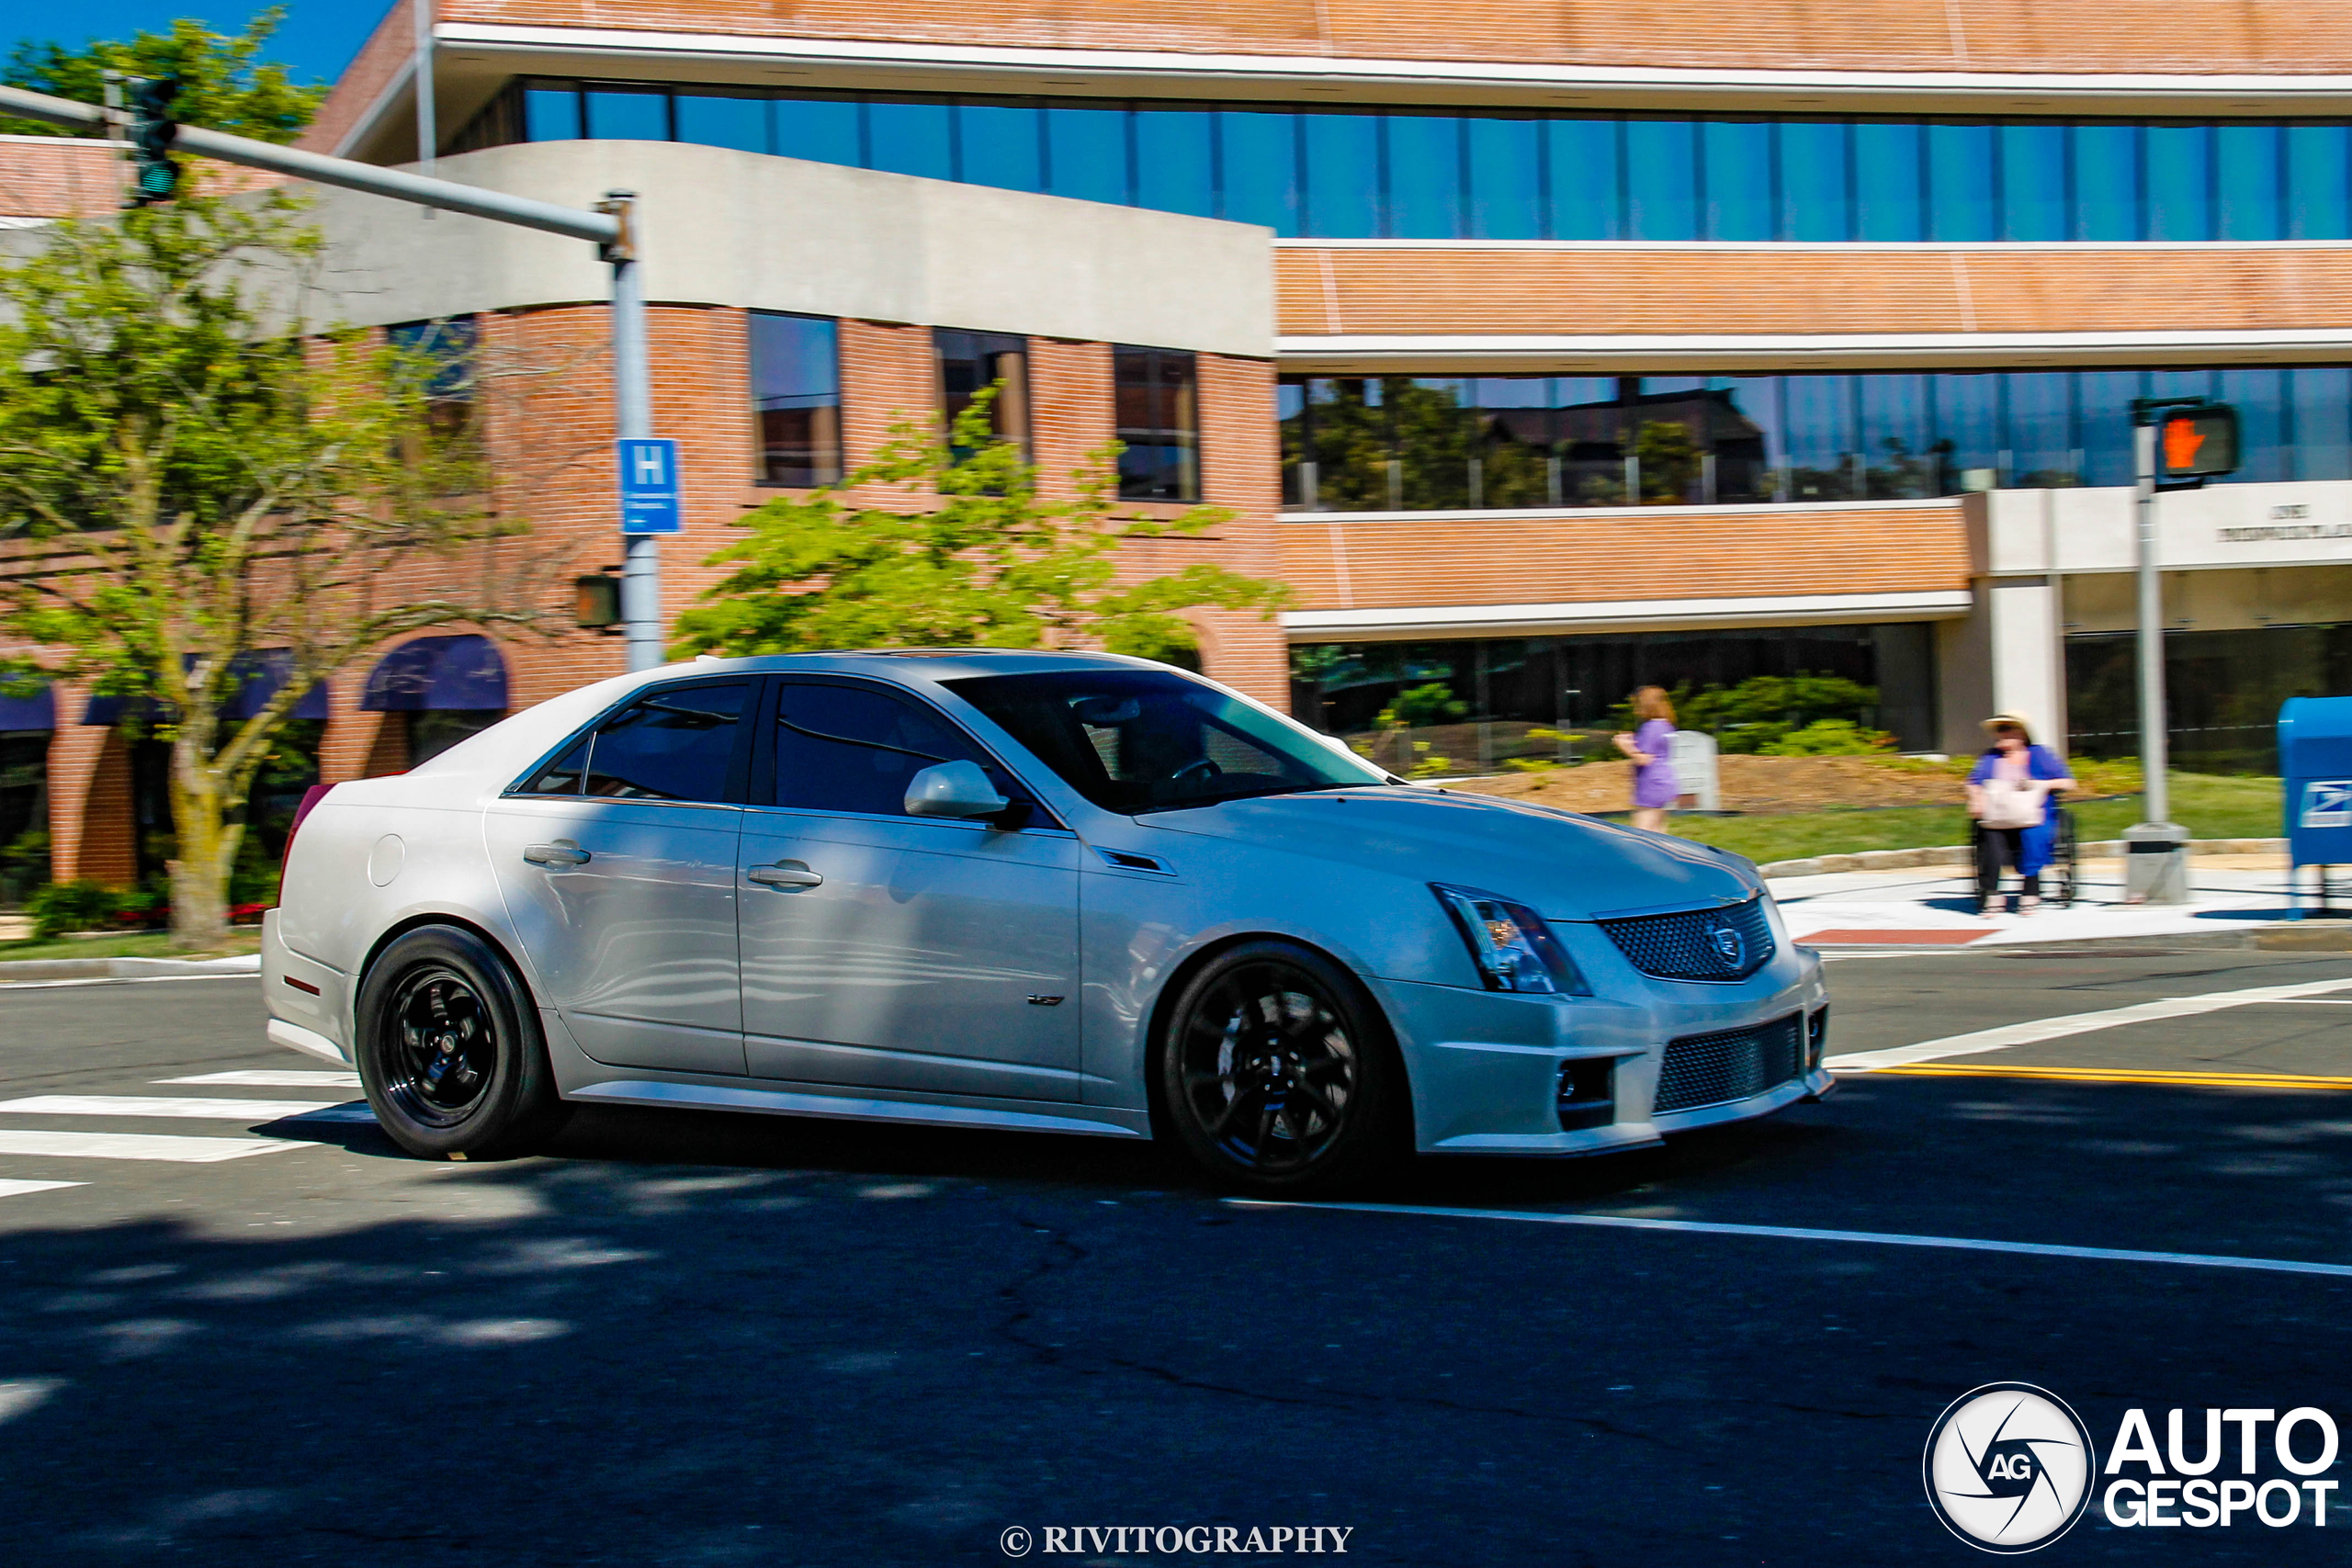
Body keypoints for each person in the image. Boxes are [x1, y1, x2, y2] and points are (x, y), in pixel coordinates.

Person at [1965, 711, 2077, 916]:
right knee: (1989, 834)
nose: (2002, 734)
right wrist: (1976, 799)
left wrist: (2041, 785)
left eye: (2007, 729)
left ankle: (2030, 890)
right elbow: (1974, 782)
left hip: (2034, 813)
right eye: (1999, 730)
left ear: (2021, 734)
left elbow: (2069, 782)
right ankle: (1992, 892)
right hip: (1999, 814)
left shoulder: (2039, 754)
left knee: (2033, 833)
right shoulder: (1990, 758)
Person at [1613, 686, 1678, 833]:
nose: (1636, 708)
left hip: (1651, 784)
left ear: (1647, 705)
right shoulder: (1666, 725)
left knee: (1642, 835)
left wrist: (1624, 745)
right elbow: (1656, 750)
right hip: (1665, 782)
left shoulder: (1650, 727)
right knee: (1659, 832)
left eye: (1638, 704)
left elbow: (1644, 759)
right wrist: (1634, 742)